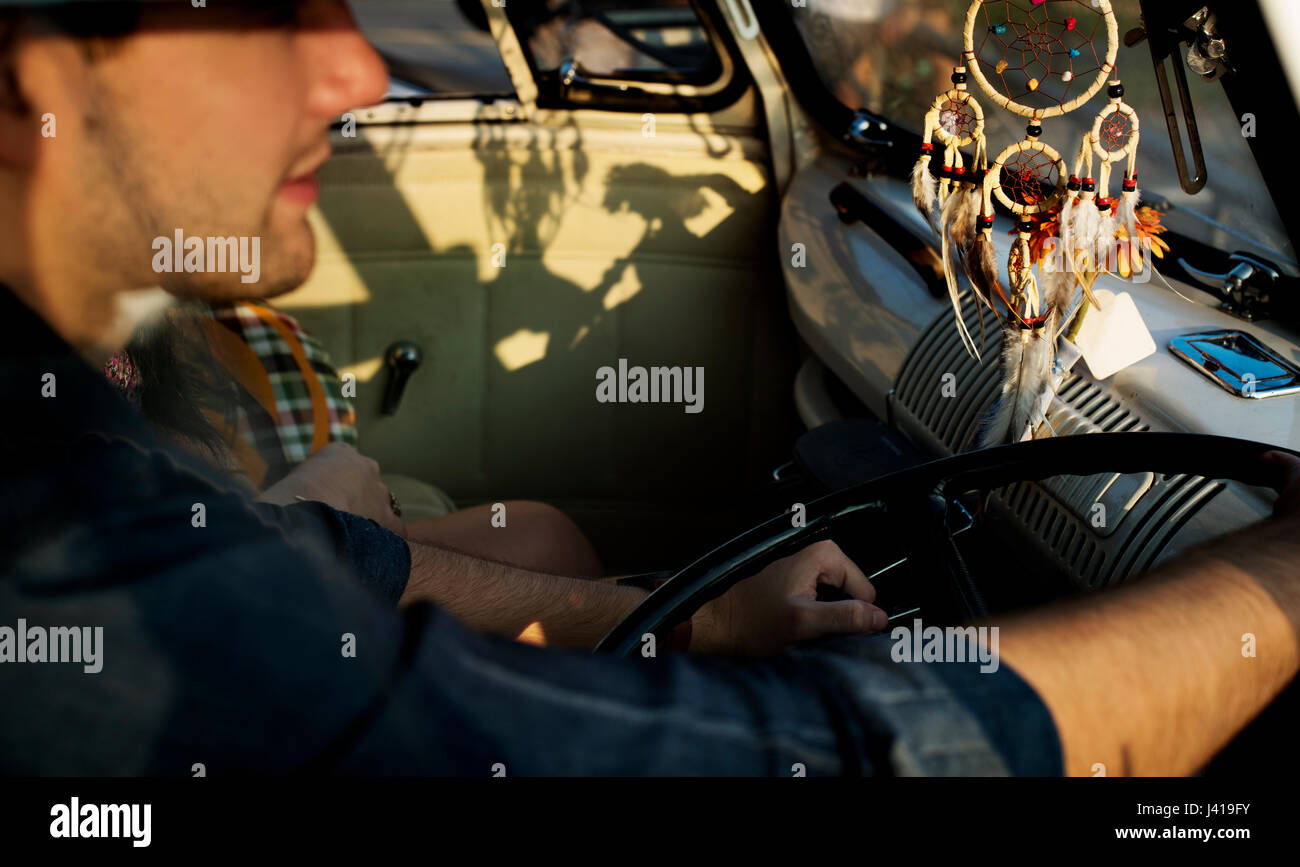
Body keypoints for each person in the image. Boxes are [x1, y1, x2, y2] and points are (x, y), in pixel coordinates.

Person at [2, 0, 1299, 776]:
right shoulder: (64, 562)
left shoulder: (84, 436)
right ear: (19, 81)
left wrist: (695, 620)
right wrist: (1273, 590)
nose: (357, 73)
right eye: (266, 8)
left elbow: (335, 558)